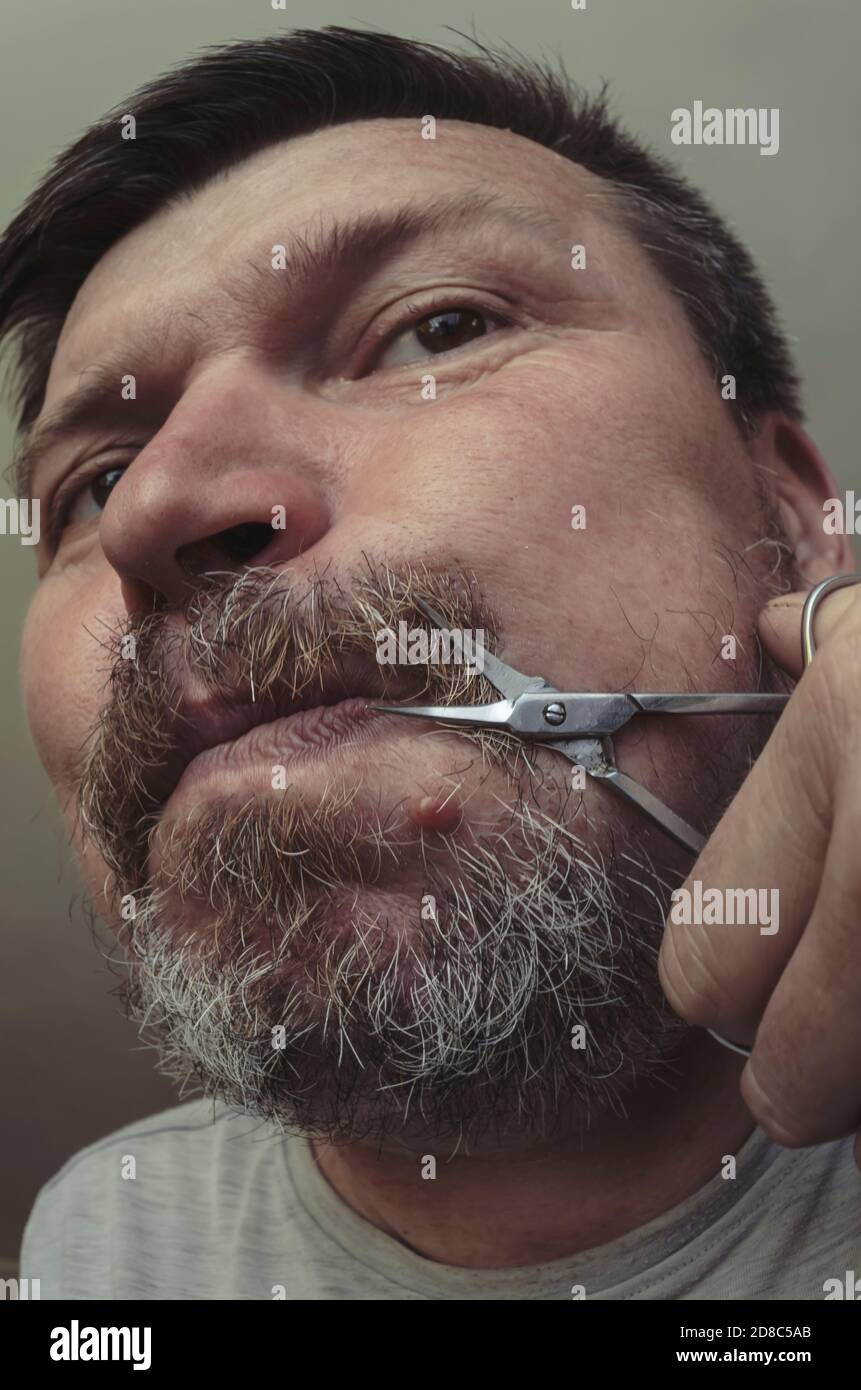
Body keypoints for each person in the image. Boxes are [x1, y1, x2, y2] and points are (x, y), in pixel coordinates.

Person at [3, 27, 859, 1300]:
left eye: (434, 329)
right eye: (97, 482)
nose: (157, 509)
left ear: (789, 520)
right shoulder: (94, 1245)